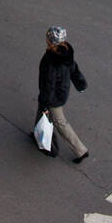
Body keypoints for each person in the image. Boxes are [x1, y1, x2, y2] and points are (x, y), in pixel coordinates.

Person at [35, 26, 89, 162]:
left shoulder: (51, 60)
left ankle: (80, 150)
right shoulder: (65, 54)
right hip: (61, 92)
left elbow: (49, 85)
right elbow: (74, 70)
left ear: (50, 41)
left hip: (54, 98)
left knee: (60, 122)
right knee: (41, 112)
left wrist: (45, 103)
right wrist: (81, 84)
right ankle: (36, 132)